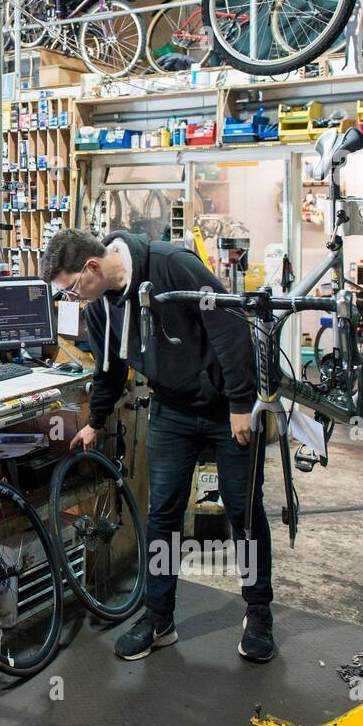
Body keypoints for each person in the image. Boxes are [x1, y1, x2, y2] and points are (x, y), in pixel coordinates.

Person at [41, 228, 276, 663]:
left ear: (92, 267)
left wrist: (242, 403)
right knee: (163, 513)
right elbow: (109, 370)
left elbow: (228, 330)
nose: (72, 298)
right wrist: (95, 421)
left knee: (242, 509)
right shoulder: (100, 307)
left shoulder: (172, 265)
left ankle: (258, 610)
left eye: (72, 288)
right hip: (172, 410)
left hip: (227, 408)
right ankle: (159, 618)